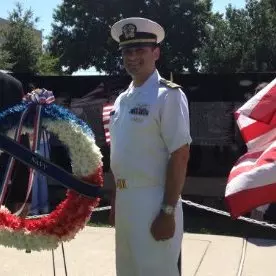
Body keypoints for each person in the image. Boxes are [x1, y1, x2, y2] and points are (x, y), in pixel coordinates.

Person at [109, 17, 192, 276]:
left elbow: (180, 154)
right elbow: (123, 154)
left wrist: (167, 211)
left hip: (154, 202)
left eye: (140, 50)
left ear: (156, 53)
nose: (132, 57)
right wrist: (116, 199)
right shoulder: (122, 99)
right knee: (127, 270)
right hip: (126, 201)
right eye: (127, 51)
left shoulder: (168, 95)